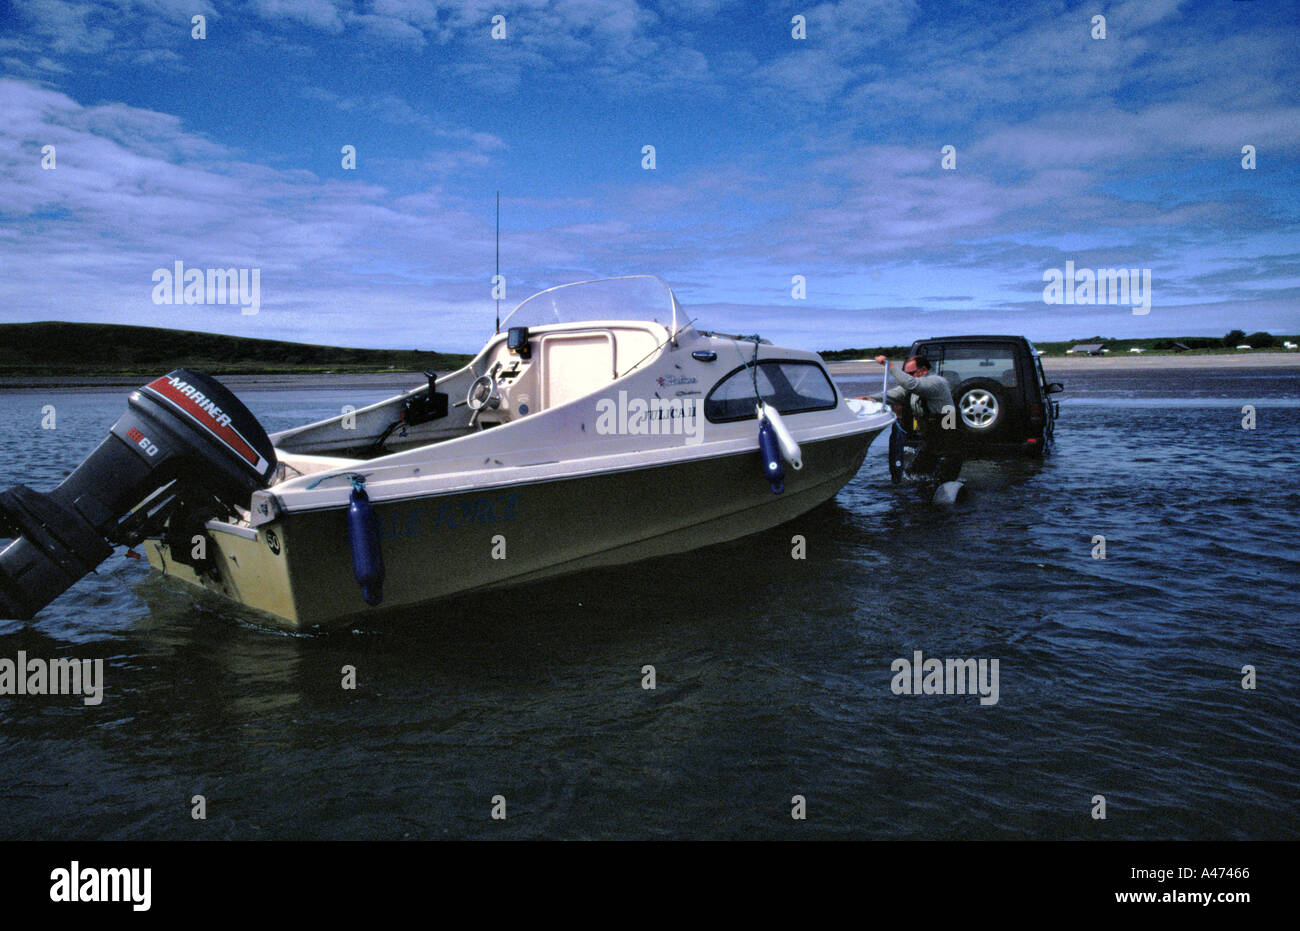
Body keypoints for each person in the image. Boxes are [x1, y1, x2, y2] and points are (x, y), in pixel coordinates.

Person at [875, 354, 963, 482]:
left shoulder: (936, 382)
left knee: (943, 474)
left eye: (911, 373)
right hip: (931, 437)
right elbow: (896, 393)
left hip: (948, 435)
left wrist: (890, 366)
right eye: (906, 374)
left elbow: (911, 383)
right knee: (914, 474)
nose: (908, 376)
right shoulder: (914, 386)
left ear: (923, 371)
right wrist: (869, 398)